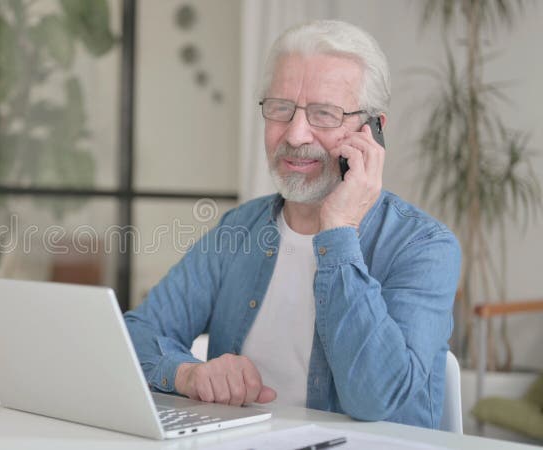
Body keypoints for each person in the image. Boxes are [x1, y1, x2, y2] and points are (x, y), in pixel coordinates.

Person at [123, 20, 461, 429]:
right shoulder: (239, 230)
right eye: (281, 108)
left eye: (325, 114)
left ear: (372, 131)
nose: (297, 134)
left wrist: (338, 230)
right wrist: (189, 374)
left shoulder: (425, 247)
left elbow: (377, 402)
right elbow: (133, 336)